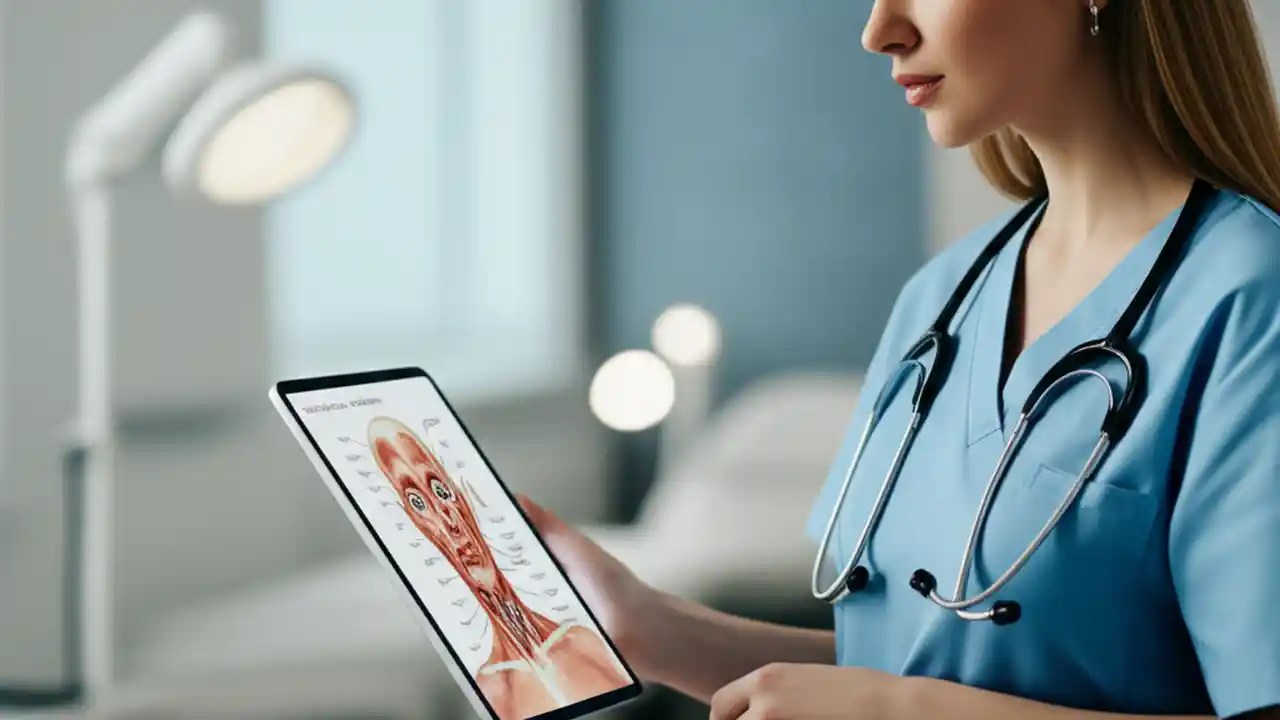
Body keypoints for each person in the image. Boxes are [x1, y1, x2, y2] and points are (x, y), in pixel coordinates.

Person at [519, 1, 1280, 718]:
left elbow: (900, 701)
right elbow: (899, 667)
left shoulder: (1249, 296)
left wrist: (896, 709)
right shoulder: (943, 296)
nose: (880, 29)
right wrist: (645, 627)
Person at [367, 417, 630, 719]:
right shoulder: (493, 687)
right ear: (416, 524)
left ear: (463, 497)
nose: (448, 521)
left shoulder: (585, 641)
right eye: (417, 503)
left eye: (441, 491)